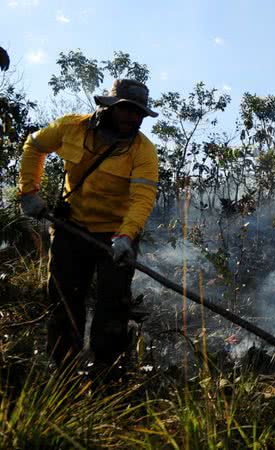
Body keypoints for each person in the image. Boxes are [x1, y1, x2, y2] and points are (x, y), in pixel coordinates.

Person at [17, 79, 159, 368]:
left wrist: (126, 236)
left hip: (116, 236)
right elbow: (34, 146)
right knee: (64, 299)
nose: (133, 118)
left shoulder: (143, 151)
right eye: (126, 110)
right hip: (73, 227)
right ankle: (64, 371)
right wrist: (29, 192)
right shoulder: (71, 127)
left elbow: (142, 198)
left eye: (138, 113)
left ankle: (107, 374)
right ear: (108, 107)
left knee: (113, 306)